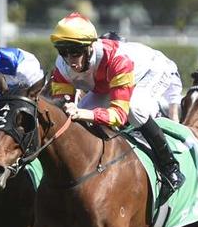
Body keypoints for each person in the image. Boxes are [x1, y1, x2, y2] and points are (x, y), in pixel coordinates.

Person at [49, 12, 185, 198]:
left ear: (90, 47)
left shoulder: (117, 58)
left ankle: (170, 167)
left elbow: (119, 115)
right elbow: (61, 108)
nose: (70, 60)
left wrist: (81, 113)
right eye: (63, 52)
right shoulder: (61, 66)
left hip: (151, 71)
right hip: (107, 82)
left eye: (75, 52)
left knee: (135, 109)